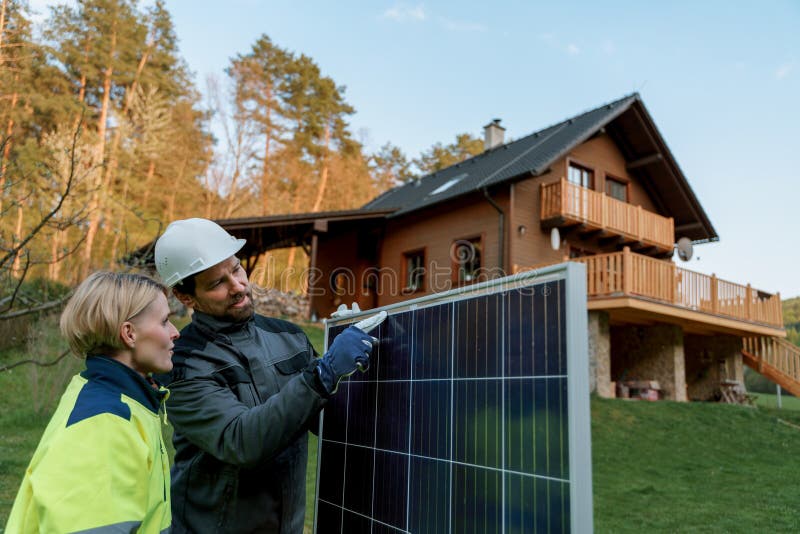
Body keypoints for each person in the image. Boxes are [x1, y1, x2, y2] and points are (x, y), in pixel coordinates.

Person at [153, 218, 376, 533]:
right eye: (217, 283)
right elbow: (242, 441)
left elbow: (329, 420)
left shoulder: (289, 336)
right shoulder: (185, 364)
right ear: (186, 296)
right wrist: (323, 374)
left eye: (236, 269)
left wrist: (366, 369)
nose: (238, 286)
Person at [6, 271, 178, 533]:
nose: (175, 333)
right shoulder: (105, 422)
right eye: (165, 321)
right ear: (129, 334)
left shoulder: (122, 400)